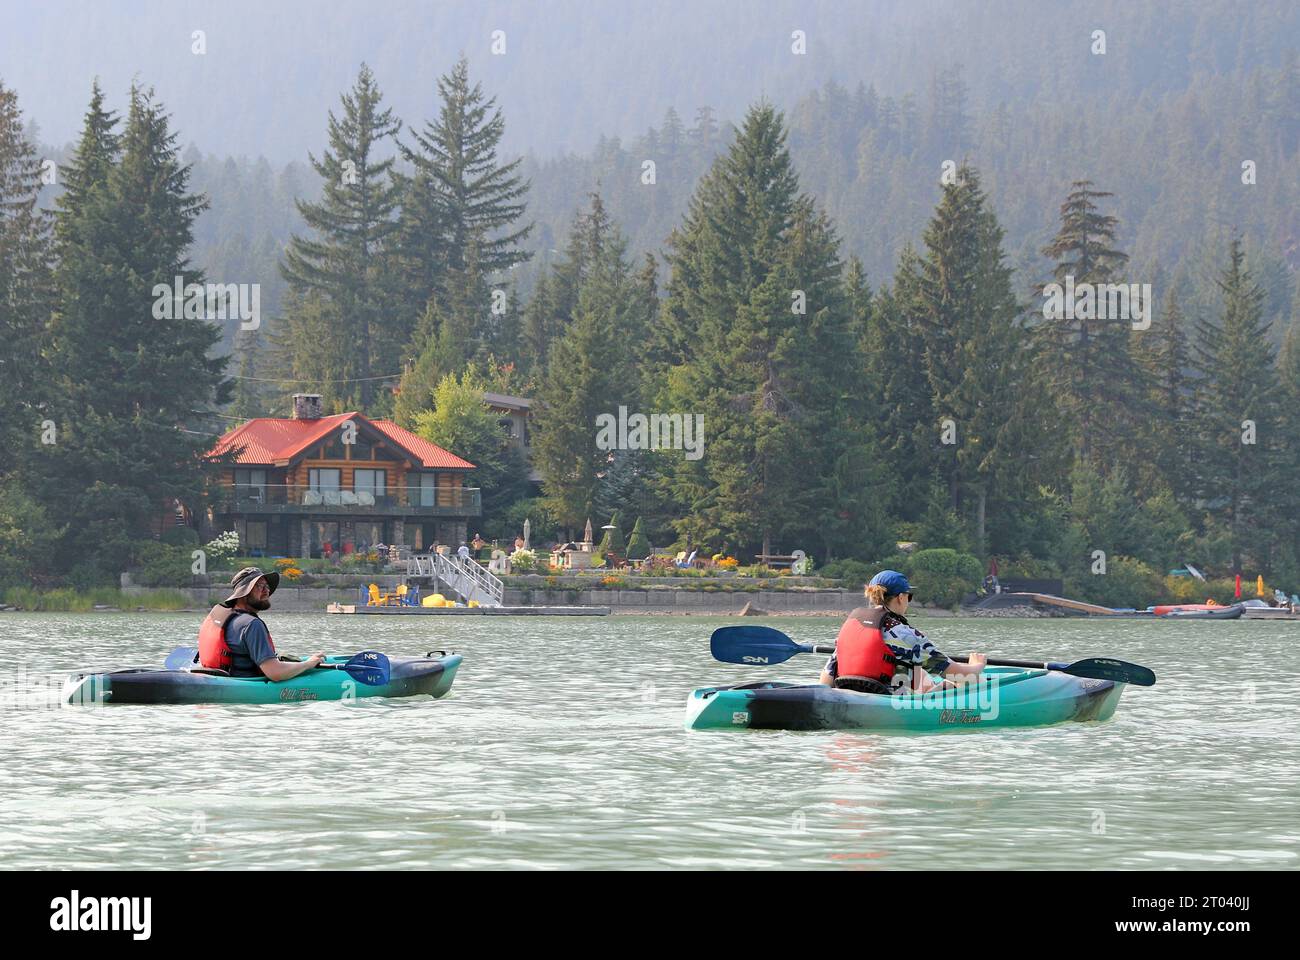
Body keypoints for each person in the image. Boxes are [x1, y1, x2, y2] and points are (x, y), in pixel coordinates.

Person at [820, 570, 986, 694]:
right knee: (959, 683)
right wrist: (976, 665)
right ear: (900, 597)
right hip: (887, 703)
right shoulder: (906, 635)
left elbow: (827, 678)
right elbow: (961, 676)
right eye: (909, 596)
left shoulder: (851, 627)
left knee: (917, 670)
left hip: (846, 695)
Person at [198, 567, 325, 680]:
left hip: (218, 679)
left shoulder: (221, 617)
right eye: (260, 586)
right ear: (243, 593)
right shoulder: (252, 624)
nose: (266, 591)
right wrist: (308, 664)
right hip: (243, 689)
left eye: (267, 586)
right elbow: (275, 673)